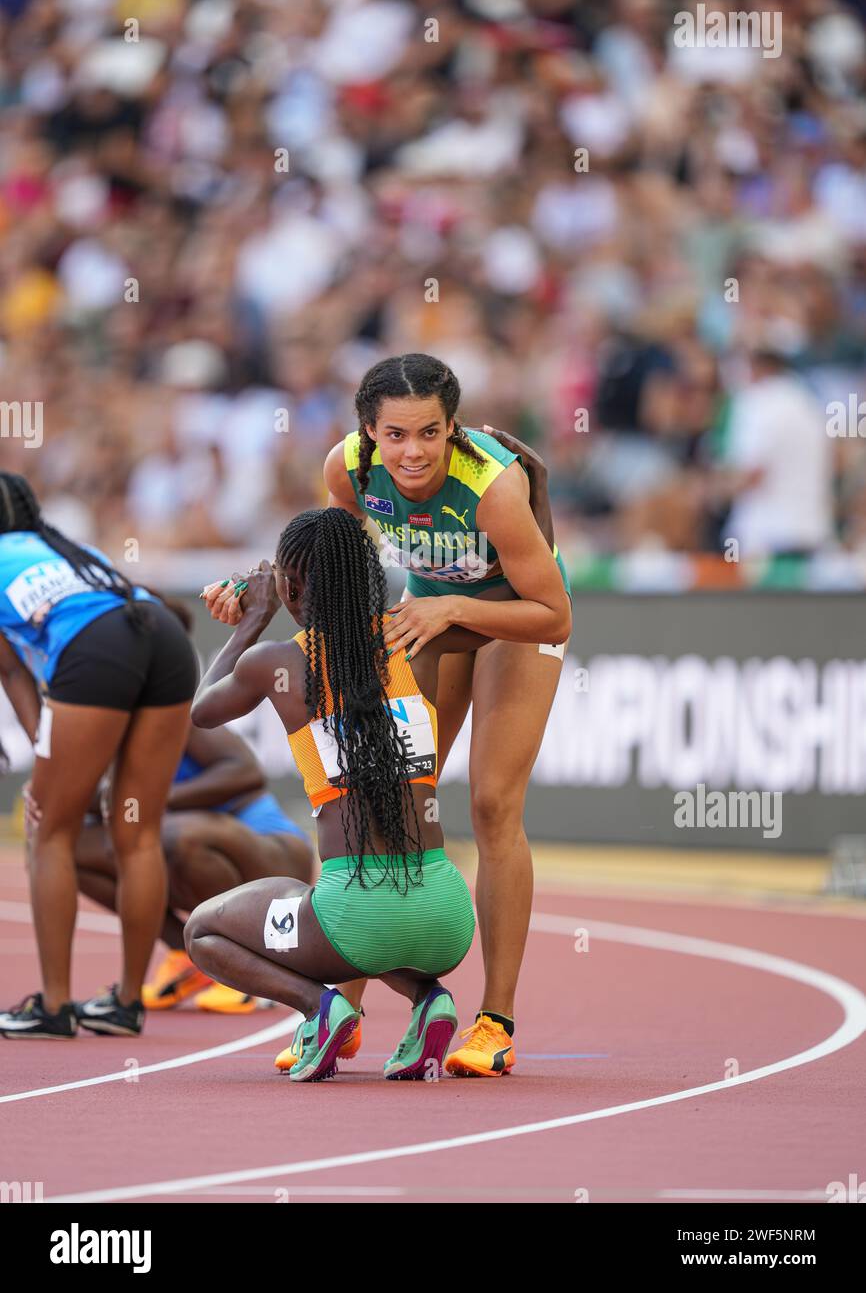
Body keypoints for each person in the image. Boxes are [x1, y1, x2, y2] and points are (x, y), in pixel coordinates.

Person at [325, 354, 573, 1076]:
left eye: (430, 433)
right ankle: (344, 1010)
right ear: (367, 432)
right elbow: (333, 564)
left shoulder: (494, 487)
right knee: (387, 795)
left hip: (513, 619)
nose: (413, 452)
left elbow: (552, 613)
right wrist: (257, 584)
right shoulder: (346, 470)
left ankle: (493, 1023)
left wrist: (451, 606)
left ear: (452, 427)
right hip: (431, 613)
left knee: (493, 804)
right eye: (396, 435)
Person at [186, 506, 493, 1081]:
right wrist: (537, 510)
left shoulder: (277, 662)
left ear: (293, 589)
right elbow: (536, 610)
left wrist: (252, 620)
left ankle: (322, 1009)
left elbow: (202, 712)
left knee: (203, 930)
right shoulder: (416, 638)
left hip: (354, 914)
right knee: (372, 926)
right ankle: (431, 999)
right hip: (448, 911)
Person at [0, 472, 197, 1040]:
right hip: (163, 636)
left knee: (49, 831)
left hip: (96, 648)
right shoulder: (64, 545)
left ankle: (55, 1007)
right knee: (136, 832)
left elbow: (11, 669)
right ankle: (128, 1003)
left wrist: (47, 758)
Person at [75, 708, 315, 1017]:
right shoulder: (94, 729)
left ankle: (245, 966)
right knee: (74, 850)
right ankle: (190, 957)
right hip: (185, 849)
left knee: (177, 836)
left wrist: (156, 798)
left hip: (274, 853)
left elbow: (245, 772)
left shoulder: (175, 716)